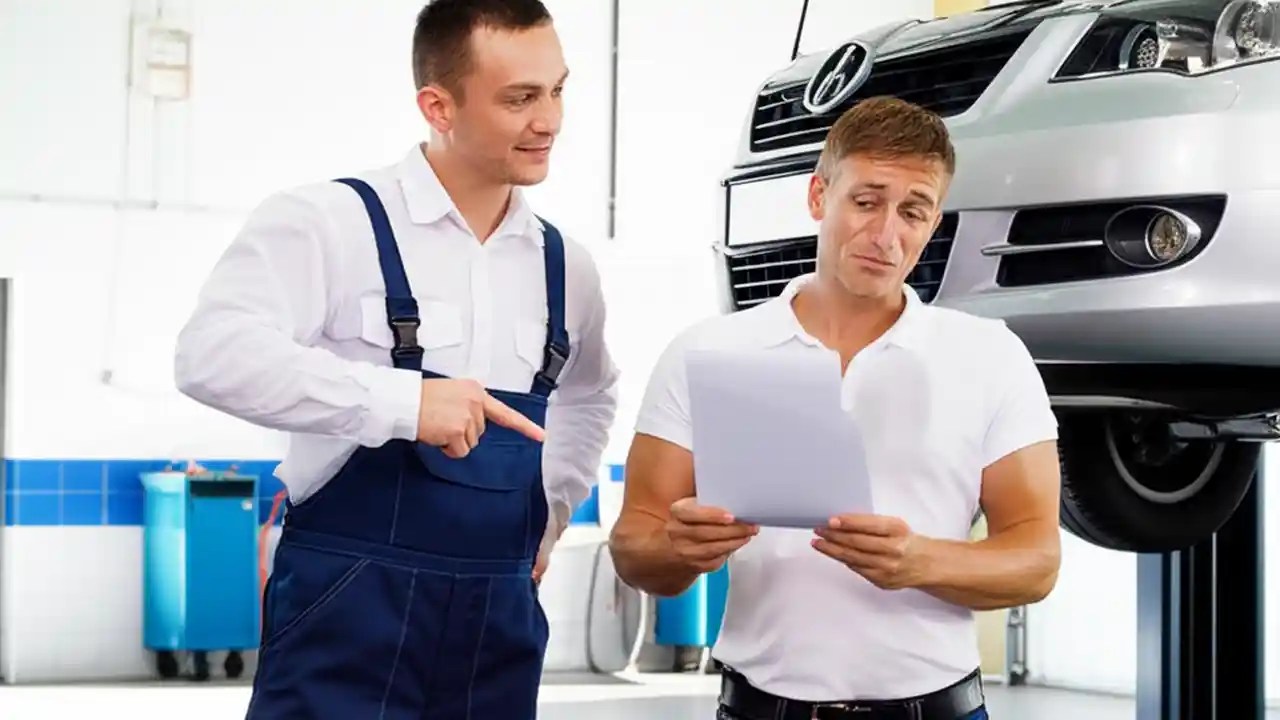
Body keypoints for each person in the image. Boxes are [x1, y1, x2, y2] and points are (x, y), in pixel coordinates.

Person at [173, 1, 619, 717]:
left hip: (497, 618)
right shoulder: (327, 223)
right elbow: (211, 353)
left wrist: (553, 512)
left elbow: (591, 394)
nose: (551, 120)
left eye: (558, 89)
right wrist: (403, 404)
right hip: (346, 609)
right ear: (438, 106)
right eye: (520, 98)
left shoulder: (567, 267)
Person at [608, 96, 1062, 720]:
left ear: (933, 222)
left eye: (913, 211)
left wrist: (918, 561)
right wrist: (681, 549)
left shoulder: (991, 357)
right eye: (866, 201)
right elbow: (635, 544)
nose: (886, 235)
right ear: (819, 196)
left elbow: (1036, 561)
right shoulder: (708, 351)